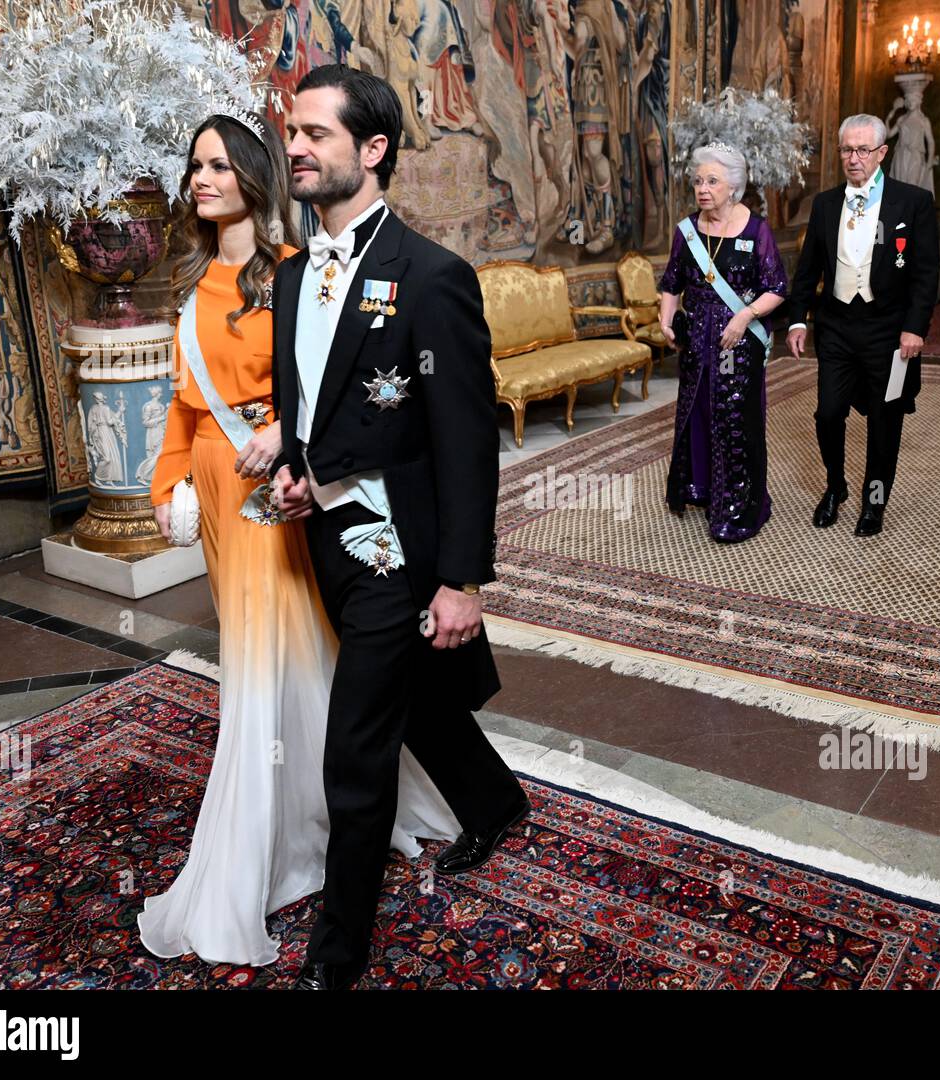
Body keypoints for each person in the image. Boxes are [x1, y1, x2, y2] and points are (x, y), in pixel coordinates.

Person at [137, 112, 459, 968]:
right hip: (211, 483)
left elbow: (320, 391)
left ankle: (277, 844)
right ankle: (305, 812)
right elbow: (182, 399)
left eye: (216, 165)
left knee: (280, 657)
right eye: (193, 166)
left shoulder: (291, 274)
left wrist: (282, 435)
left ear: (250, 175)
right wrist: (164, 480)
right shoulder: (192, 283)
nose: (200, 180)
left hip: (276, 489)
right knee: (262, 658)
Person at [269, 66, 530, 992]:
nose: (295, 147)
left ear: (372, 151)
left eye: (316, 134)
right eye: (292, 131)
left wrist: (460, 581)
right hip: (328, 536)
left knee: (357, 745)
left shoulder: (431, 278)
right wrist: (301, 476)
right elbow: (309, 406)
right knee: (418, 698)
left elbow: (467, 443)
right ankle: (496, 803)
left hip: (396, 547)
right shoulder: (295, 275)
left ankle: (337, 954)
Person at [779, 113, 939, 536]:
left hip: (888, 331)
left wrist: (915, 327)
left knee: (885, 421)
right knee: (828, 414)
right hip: (836, 328)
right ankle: (835, 487)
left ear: (882, 153)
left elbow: (926, 274)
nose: (853, 158)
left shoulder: (913, 202)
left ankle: (874, 502)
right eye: (847, 150)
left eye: (862, 150)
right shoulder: (826, 204)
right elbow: (808, 268)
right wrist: (797, 320)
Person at [656, 141, 788, 541]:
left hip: (737, 343)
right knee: (697, 411)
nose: (703, 188)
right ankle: (700, 487)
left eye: (712, 180)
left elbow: (777, 287)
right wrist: (665, 321)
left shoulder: (756, 230)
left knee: (733, 417)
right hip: (697, 339)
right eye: (698, 181)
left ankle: (737, 504)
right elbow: (671, 282)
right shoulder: (687, 231)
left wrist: (745, 315)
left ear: (733, 186)